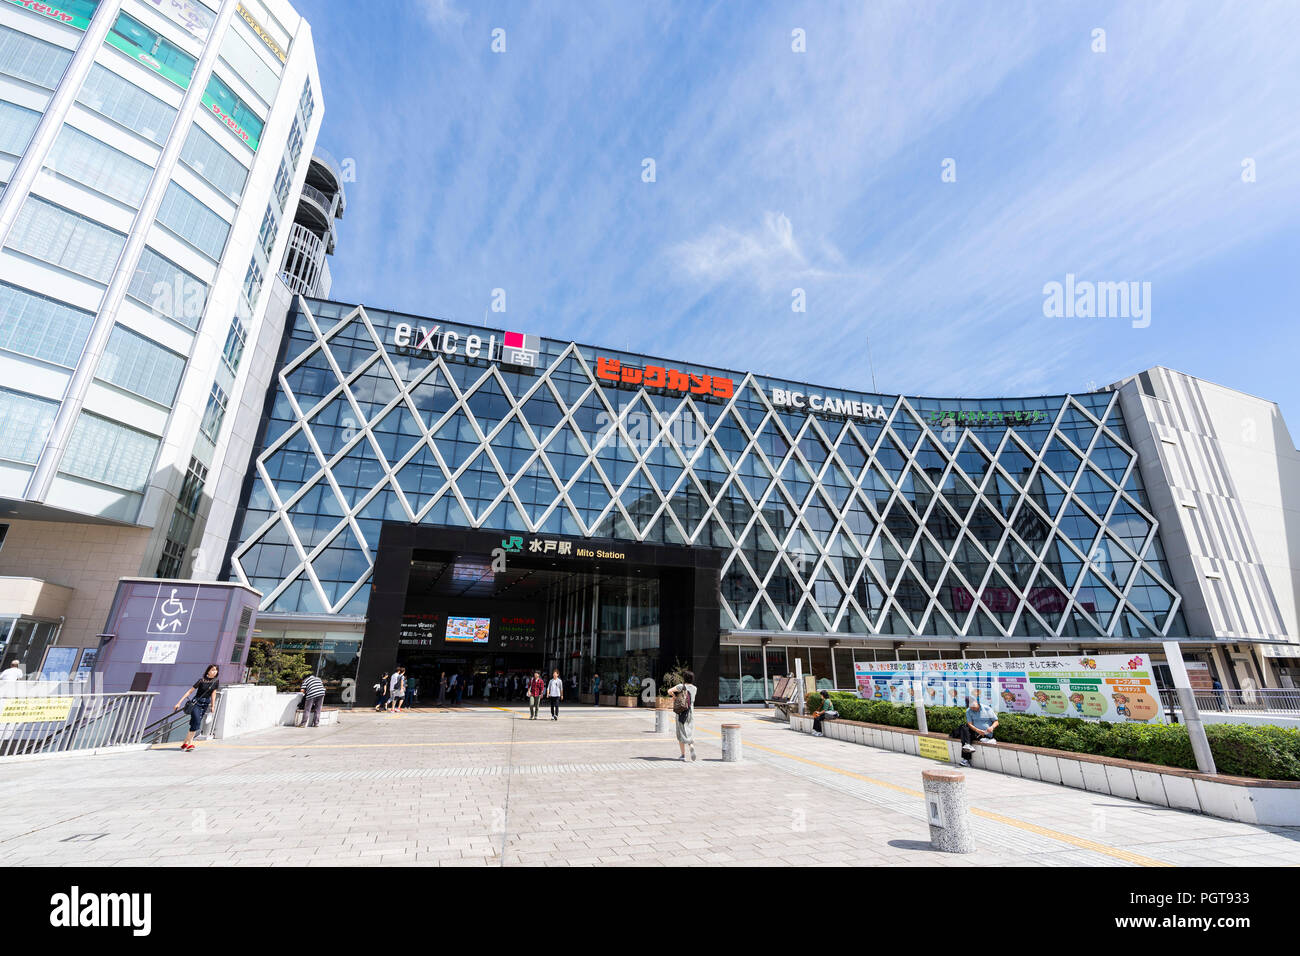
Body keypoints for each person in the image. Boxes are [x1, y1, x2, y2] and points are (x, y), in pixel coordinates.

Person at [173, 664, 220, 752]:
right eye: (213, 670)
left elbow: (213, 694)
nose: (215, 671)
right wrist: (179, 702)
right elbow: (190, 691)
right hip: (196, 702)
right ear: (208, 671)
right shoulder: (201, 681)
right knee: (197, 721)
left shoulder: (215, 681)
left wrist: (213, 706)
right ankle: (190, 743)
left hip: (205, 704)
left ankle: (184, 743)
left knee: (194, 723)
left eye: (216, 670)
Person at [958, 694, 998, 767]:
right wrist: (977, 730)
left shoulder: (987, 709)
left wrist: (992, 727)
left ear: (977, 702)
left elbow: (996, 722)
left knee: (965, 738)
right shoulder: (968, 711)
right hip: (976, 732)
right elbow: (970, 724)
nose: (973, 708)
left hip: (986, 734)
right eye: (971, 707)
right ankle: (967, 746)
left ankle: (966, 759)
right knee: (964, 727)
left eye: (974, 706)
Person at [667, 669, 698, 761]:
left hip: (681, 711)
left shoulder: (681, 686)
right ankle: (691, 745)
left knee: (681, 732)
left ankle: (683, 755)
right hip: (690, 712)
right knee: (689, 730)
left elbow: (669, 691)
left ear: (684, 678)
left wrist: (675, 697)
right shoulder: (695, 688)